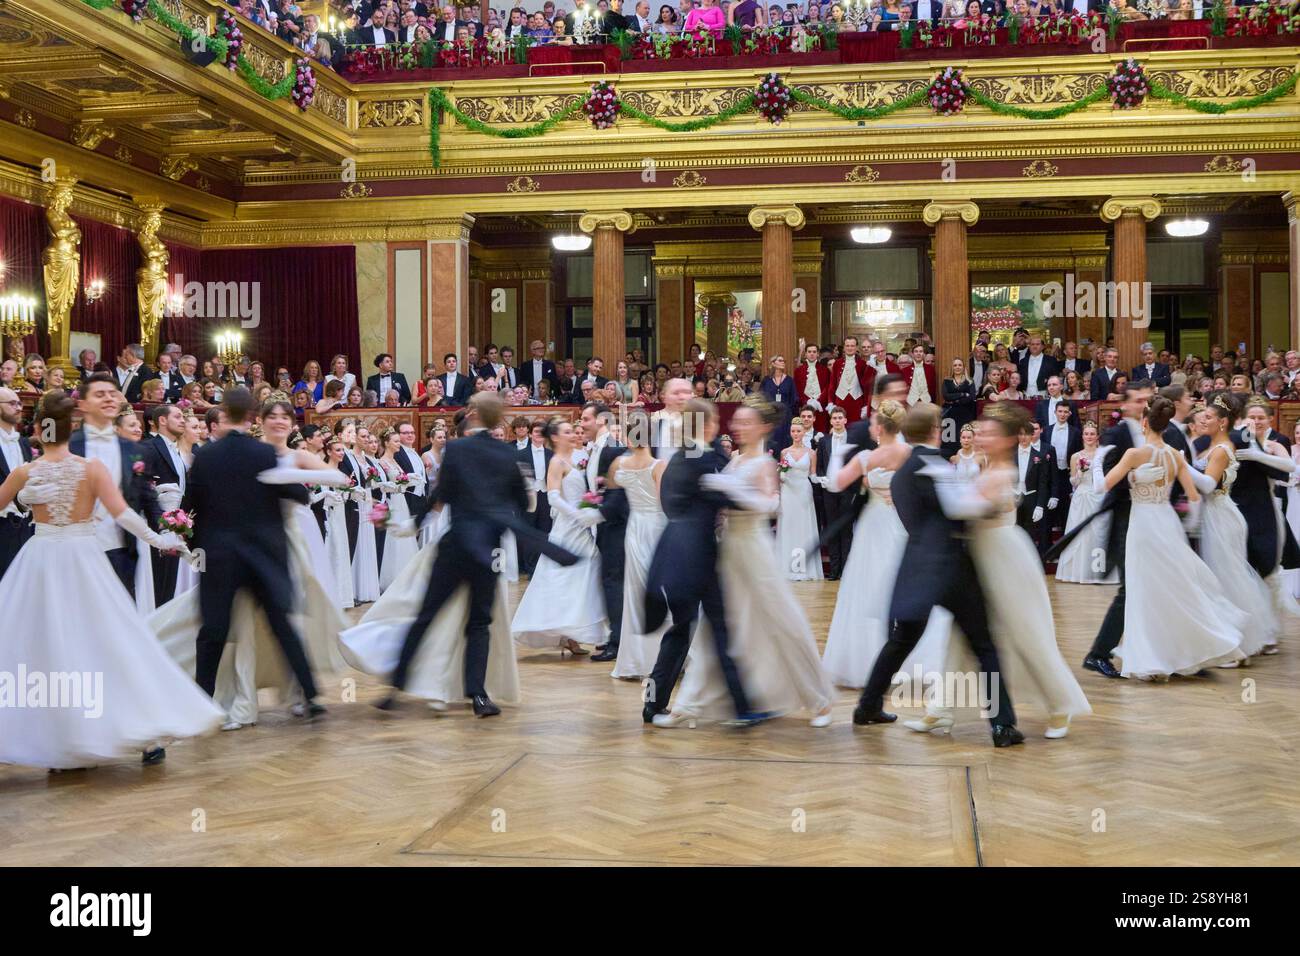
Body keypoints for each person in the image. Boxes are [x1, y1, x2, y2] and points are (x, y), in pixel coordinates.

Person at [0, 391, 222, 769]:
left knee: (43, 647)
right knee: (109, 640)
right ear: (72, 429)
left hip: (39, 559)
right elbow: (124, 516)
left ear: (37, 429)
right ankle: (137, 729)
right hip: (84, 559)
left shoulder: (26, 471)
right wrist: (161, 540)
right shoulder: (91, 469)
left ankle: (63, 741)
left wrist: (23, 502)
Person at [377, 394, 578, 716]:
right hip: (489, 550)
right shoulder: (507, 454)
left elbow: (442, 493)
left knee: (427, 615)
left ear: (472, 414)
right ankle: (478, 695)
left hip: (456, 545)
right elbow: (521, 505)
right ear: (499, 419)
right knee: (480, 622)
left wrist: (413, 524)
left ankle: (395, 686)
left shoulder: (456, 449)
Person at [909, 403, 1090, 739]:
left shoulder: (1001, 472)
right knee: (960, 633)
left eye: (988, 432)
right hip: (980, 555)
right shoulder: (985, 465)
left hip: (1004, 559)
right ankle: (941, 708)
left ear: (1006, 440)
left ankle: (1060, 705)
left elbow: (967, 508)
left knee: (1025, 635)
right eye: (980, 429)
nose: (980, 434)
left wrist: (938, 479)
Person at [852, 402, 1023, 748]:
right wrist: (991, 504)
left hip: (916, 566)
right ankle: (1003, 725)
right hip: (952, 567)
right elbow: (961, 507)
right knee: (984, 645)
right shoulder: (935, 466)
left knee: (901, 641)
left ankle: (867, 705)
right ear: (935, 430)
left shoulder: (901, 474)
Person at [654, 400, 834, 728]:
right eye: (736, 422)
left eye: (746, 422)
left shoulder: (765, 463)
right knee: (719, 629)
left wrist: (733, 492)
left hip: (754, 550)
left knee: (782, 621)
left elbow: (771, 506)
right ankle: (688, 705)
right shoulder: (732, 460)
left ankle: (819, 701)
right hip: (728, 550)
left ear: (763, 427)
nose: (738, 427)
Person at [180, 388, 335, 720]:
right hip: (264, 554)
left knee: (214, 630)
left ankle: (201, 700)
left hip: (220, 555)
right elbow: (294, 493)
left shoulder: (205, 455)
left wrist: (196, 548)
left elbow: (190, 507)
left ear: (223, 413)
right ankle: (310, 694)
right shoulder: (264, 455)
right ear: (252, 415)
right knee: (282, 626)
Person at [642, 399, 770, 727]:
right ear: (708, 424)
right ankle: (742, 708)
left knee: (684, 630)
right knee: (713, 628)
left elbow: (670, 503)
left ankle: (653, 704)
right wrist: (763, 502)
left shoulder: (679, 458)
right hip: (697, 556)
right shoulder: (706, 458)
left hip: (675, 552)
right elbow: (726, 496)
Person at [1101, 397, 1245, 678]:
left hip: (1142, 525)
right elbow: (1193, 496)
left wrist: (1111, 469)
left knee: (1144, 590)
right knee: (1174, 585)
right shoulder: (1176, 455)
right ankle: (1181, 650)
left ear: (1144, 422)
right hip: (1166, 522)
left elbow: (1102, 486)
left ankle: (1151, 659)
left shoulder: (1133, 454)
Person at [822, 400, 946, 688]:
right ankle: (914, 659)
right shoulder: (910, 453)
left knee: (867, 590)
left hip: (875, 525)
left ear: (879, 427)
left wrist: (838, 455)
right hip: (903, 522)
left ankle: (868, 662)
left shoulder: (867, 457)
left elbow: (835, 484)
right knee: (904, 586)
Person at [511, 417, 608, 655]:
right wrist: (578, 514)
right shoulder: (556, 462)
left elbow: (590, 488)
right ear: (555, 437)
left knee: (588, 569)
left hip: (584, 523)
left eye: (574, 431)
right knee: (564, 575)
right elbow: (554, 497)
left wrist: (592, 506)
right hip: (568, 525)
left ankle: (576, 630)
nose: (573, 434)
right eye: (567, 432)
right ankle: (565, 632)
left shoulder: (581, 458)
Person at [606, 409, 668, 680]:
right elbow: (665, 505)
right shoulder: (659, 465)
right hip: (655, 527)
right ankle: (660, 657)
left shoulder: (619, 464)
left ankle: (635, 660)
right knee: (660, 590)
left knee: (635, 592)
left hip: (634, 529)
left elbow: (608, 489)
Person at [1054, 421, 1116, 584]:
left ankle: (1099, 571)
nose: (1089, 437)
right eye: (1086, 434)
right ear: (1082, 436)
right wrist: (1080, 474)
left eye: (1092, 434)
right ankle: (1078, 571)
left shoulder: (1103, 454)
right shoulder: (1076, 456)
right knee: (1081, 534)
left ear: (1097, 437)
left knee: (1099, 534)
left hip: (1098, 496)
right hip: (1081, 497)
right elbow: (1073, 482)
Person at [774, 417, 822, 581]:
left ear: (804, 432)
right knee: (789, 526)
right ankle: (787, 568)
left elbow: (812, 474)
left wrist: (824, 481)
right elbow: (782, 473)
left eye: (798, 431)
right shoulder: (785, 452)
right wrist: (780, 474)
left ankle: (802, 568)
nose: (796, 434)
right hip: (788, 491)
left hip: (803, 490)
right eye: (793, 431)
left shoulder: (811, 453)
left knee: (803, 528)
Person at [0, 386, 35, 582]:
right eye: (12, 403)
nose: (19, 407)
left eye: (19, 402)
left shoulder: (23, 442)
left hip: (24, 526)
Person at [940, 357, 976, 458]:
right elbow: (946, 395)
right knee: (950, 439)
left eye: (959, 365)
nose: (957, 367)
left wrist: (955, 399)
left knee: (963, 437)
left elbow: (971, 397)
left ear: (963, 367)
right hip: (950, 414)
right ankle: (950, 459)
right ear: (952, 367)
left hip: (965, 414)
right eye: (955, 365)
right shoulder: (947, 381)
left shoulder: (970, 381)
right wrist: (963, 394)